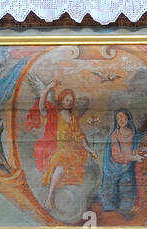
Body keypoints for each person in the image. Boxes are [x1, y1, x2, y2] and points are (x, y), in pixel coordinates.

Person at [26, 82, 97, 212]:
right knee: (59, 168)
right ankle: (49, 198)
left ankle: (66, 200)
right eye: (66, 99)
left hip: (71, 151)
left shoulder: (73, 119)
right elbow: (41, 107)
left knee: (67, 172)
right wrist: (48, 87)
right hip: (56, 149)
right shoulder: (54, 114)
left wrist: (89, 149)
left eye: (71, 100)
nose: (69, 102)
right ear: (62, 100)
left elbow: (80, 136)